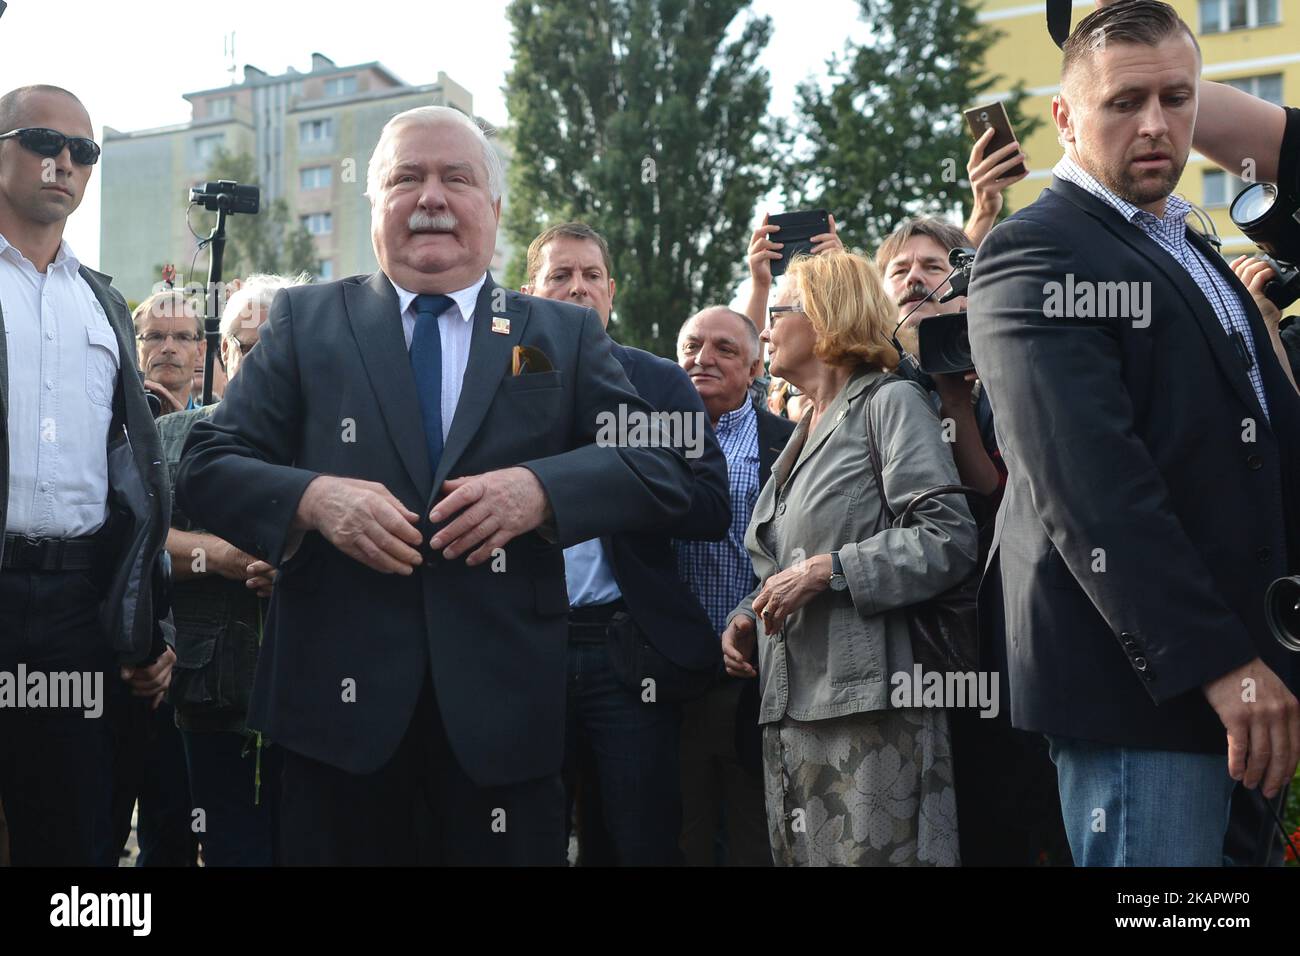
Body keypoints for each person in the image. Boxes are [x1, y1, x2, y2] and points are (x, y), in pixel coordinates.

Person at [177, 106, 694, 865]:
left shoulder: (560, 335)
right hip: (334, 729)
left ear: (495, 208)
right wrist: (315, 500)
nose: (431, 198)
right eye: (406, 179)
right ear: (374, 202)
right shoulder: (305, 320)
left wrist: (540, 490)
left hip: (504, 728)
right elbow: (206, 464)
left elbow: (664, 463)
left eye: (457, 178)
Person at [968, 0, 1300, 867]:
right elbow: (1096, 492)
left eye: (1177, 98)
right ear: (1065, 117)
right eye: (1124, 102)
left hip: (1248, 678)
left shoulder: (1189, 241)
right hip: (1146, 691)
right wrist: (1222, 663)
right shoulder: (1032, 253)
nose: (1157, 125)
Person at [721, 251, 978, 866]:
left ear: (824, 318)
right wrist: (747, 616)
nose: (763, 328)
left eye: (778, 310)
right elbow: (788, 556)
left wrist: (827, 570)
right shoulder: (804, 428)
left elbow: (949, 537)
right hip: (791, 708)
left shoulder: (890, 404)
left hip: (871, 712)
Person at [0, 84, 173, 866]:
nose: (64, 162)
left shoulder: (105, 303)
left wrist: (149, 622)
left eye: (84, 151)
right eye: (43, 141)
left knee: (78, 836)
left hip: (75, 606)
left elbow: (132, 484)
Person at [521, 221, 729, 865]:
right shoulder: (495, 388)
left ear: (612, 292)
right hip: (522, 645)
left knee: (639, 839)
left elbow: (711, 506)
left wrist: (609, 480)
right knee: (524, 836)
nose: (577, 289)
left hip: (629, 652)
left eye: (590, 276)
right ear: (529, 291)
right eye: (560, 275)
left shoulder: (659, 382)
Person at [161, 273, 308, 866]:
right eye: (247, 347)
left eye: (277, 348)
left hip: (312, 699)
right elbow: (138, 541)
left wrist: (300, 566)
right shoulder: (174, 435)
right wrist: (219, 556)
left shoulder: (329, 440)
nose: (260, 361)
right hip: (210, 691)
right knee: (229, 851)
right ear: (223, 353)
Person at [675, 305, 796, 866]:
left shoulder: (792, 444)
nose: (704, 359)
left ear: (755, 369)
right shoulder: (644, 435)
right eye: (693, 347)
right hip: (668, 673)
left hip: (761, 671)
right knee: (679, 830)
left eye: (725, 349)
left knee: (757, 830)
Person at [133, 290, 206, 413]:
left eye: (183, 337)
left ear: (200, 350)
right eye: (155, 336)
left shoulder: (212, 428)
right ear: (134, 348)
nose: (169, 348)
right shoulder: (110, 425)